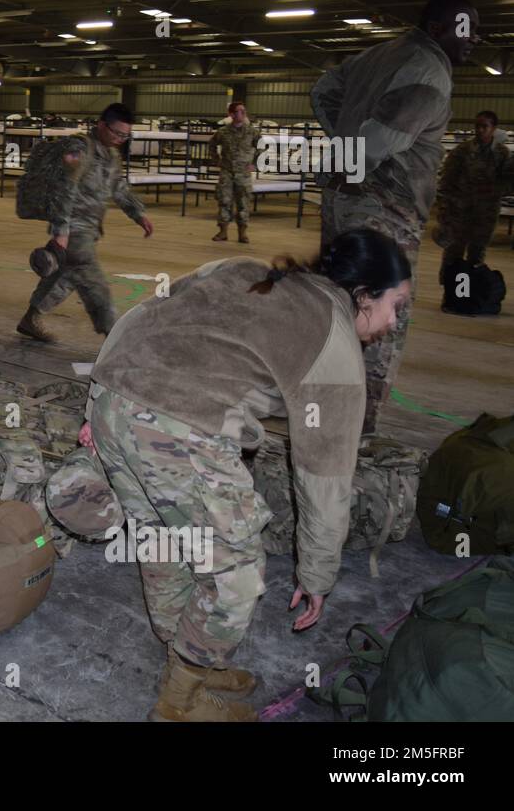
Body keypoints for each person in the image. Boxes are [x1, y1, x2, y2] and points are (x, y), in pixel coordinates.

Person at [83, 227, 412, 721]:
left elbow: (143, 313)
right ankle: (179, 703)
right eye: (395, 305)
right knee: (235, 579)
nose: (394, 322)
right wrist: (318, 574)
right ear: (363, 296)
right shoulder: (336, 343)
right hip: (179, 429)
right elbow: (324, 474)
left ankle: (194, 657)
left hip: (114, 402)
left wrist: (97, 404)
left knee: (164, 542)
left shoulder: (244, 269)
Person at [311, 0, 478, 433]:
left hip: (344, 200)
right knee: (383, 315)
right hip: (383, 207)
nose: (473, 40)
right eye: (465, 29)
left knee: (340, 305)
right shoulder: (428, 70)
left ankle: (319, 415)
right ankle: (355, 433)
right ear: (438, 28)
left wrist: (342, 141)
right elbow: (377, 142)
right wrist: (356, 155)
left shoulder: (381, 53)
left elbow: (324, 89)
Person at [17, 103, 153, 342]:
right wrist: (61, 232)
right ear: (102, 125)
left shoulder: (111, 155)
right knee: (92, 278)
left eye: (125, 135)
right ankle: (114, 334)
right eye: (117, 133)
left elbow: (118, 188)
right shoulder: (80, 148)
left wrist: (138, 214)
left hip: (90, 228)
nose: (121, 139)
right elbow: (64, 189)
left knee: (67, 275)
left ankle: (31, 317)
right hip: (73, 226)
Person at [433, 110, 510, 276]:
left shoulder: (502, 153)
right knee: (453, 254)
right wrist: (444, 213)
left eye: (485, 126)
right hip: (460, 212)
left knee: (477, 254)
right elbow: (446, 182)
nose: (480, 130)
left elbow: (507, 183)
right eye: (477, 126)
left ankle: (468, 296)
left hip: (486, 213)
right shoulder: (462, 151)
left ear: (494, 128)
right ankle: (452, 295)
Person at [208, 101, 260, 243]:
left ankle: (242, 233)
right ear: (231, 114)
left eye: (244, 111)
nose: (243, 114)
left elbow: (263, 147)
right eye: (239, 111)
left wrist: (255, 164)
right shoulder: (223, 132)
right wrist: (217, 160)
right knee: (224, 201)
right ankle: (223, 231)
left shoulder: (252, 132)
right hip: (227, 172)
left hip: (243, 173)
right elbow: (212, 145)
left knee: (243, 203)